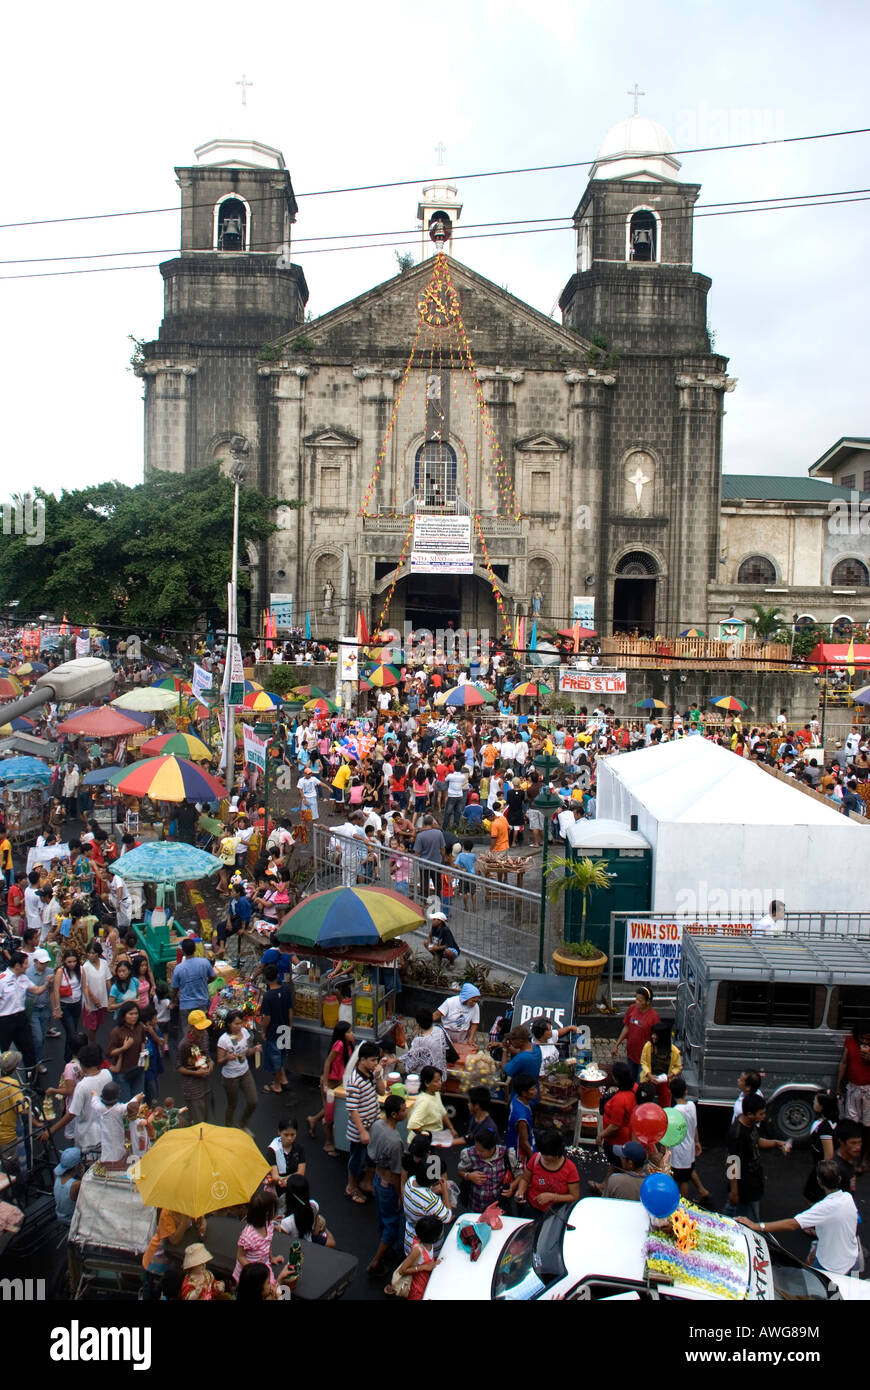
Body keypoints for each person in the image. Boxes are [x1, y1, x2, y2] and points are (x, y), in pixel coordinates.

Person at [738, 1159, 862, 1277]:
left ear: (819, 1181)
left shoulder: (823, 1208)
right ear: (839, 1179)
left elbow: (791, 1224)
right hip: (852, 1259)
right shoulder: (847, 1198)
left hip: (831, 1267)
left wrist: (756, 1226)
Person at [725, 1093, 790, 1221]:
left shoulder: (750, 1124)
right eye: (761, 1114)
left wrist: (776, 1143)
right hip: (745, 1185)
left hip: (754, 1181)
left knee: (739, 1213)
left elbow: (756, 1141)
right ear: (750, 1114)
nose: (764, 1117)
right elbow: (732, 1162)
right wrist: (734, 1191)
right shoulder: (737, 1134)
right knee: (748, 1219)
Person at [367, 1093, 407, 1277]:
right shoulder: (396, 1142)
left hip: (377, 1178)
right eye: (403, 1110)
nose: (405, 1112)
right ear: (394, 1114)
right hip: (388, 1184)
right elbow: (397, 1173)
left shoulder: (376, 1125)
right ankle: (376, 1259)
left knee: (382, 1218)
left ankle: (384, 1248)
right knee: (392, 1223)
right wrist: (400, 1195)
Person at [345, 1040, 385, 1204]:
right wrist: (362, 1131)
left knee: (372, 1158)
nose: (375, 1063)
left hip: (373, 1125)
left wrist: (379, 1076)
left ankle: (366, 1182)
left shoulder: (370, 1074)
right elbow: (352, 1109)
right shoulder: (355, 1081)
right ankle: (351, 1187)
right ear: (361, 1060)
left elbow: (381, 1092)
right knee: (357, 1159)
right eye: (372, 1060)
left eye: (376, 1060)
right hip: (360, 1129)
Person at [308, 1020, 354, 1156]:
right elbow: (328, 1062)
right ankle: (328, 1143)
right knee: (329, 1114)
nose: (352, 1034)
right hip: (331, 1082)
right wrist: (326, 1084)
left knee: (333, 1107)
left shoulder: (349, 1044)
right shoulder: (339, 1045)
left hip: (339, 1082)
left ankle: (313, 1119)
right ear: (342, 1034)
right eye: (349, 1032)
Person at [401, 1146, 453, 1256]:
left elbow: (422, 1196)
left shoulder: (410, 1181)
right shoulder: (431, 1201)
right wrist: (445, 1191)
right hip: (428, 1247)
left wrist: (432, 1190)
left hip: (411, 1238)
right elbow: (447, 1217)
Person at [0, 950, 49, 1067]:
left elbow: (36, 990)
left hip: (21, 1018)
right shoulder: (2, 979)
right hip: (5, 1021)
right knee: (3, 1052)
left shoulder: (23, 978)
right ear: (17, 965)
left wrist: (47, 984)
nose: (28, 966)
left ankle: (32, 1081)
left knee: (28, 1050)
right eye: (26, 963)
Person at [515, 1130, 580, 1215]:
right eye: (542, 1154)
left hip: (556, 1213)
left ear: (556, 1154)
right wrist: (521, 1190)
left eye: (547, 1157)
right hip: (533, 1209)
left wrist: (552, 1197)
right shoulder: (536, 1159)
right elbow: (525, 1179)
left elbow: (574, 1196)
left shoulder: (570, 1168)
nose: (543, 1157)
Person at [668, 1075, 710, 1202]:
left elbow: (670, 1135)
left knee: (679, 1180)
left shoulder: (674, 1112)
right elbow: (695, 1126)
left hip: (678, 1153)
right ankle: (697, 1194)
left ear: (671, 1093)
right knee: (686, 1177)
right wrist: (697, 1142)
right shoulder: (692, 1106)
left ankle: (680, 1204)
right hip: (689, 1148)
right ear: (685, 1091)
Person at [217, 1010, 261, 1131]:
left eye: (240, 1023)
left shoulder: (245, 1032)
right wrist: (227, 1058)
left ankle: (242, 1124)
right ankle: (229, 1128)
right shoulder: (223, 1040)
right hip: (231, 1077)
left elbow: (246, 1052)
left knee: (253, 1101)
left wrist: (255, 1049)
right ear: (229, 1024)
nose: (239, 1026)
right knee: (232, 1105)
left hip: (244, 1072)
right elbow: (219, 1061)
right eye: (236, 1024)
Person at [837, 1019, 870, 1170]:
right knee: (852, 1124)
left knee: (867, 1126)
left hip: (868, 1089)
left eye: (868, 1038)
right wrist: (838, 1085)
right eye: (862, 1038)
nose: (865, 1041)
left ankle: (864, 1159)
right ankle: (851, 1158)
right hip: (853, 1088)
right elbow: (844, 1062)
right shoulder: (850, 1042)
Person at [107, 1000, 156, 1102]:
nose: (134, 1016)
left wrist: (143, 1051)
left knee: (138, 1103)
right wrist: (123, 1048)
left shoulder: (140, 1028)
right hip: (123, 1073)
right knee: (126, 1105)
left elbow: (143, 1041)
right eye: (131, 1014)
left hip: (138, 1070)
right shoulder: (117, 1032)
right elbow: (109, 1053)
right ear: (124, 1015)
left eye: (136, 1014)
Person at [233, 1189, 283, 1287]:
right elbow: (240, 1256)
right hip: (250, 1273)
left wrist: (271, 1258)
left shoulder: (268, 1224)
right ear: (267, 1214)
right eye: (273, 1209)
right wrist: (253, 1270)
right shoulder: (248, 1236)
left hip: (263, 1265)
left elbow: (267, 1244)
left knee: (272, 1287)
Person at [458, 1131, 517, 1213]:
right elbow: (460, 1171)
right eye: (476, 1148)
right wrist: (469, 1176)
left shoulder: (506, 1154)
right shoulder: (469, 1154)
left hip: (499, 1207)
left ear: (492, 1148)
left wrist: (512, 1187)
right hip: (476, 1206)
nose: (477, 1153)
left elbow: (520, 1175)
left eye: (481, 1151)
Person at [388, 1213, 443, 1299]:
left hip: (424, 1280)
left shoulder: (427, 1241)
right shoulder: (418, 1250)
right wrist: (423, 1267)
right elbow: (402, 1270)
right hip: (417, 1287)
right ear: (434, 1238)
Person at [611, 985, 659, 1082]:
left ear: (648, 1002)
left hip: (644, 1059)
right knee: (630, 1080)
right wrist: (617, 1044)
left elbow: (656, 1039)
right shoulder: (632, 1009)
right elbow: (627, 1027)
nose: (637, 1002)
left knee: (639, 1083)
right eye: (636, 999)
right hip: (631, 1055)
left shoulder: (654, 1017)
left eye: (640, 1000)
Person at [259, 963, 294, 1095]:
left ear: (266, 978)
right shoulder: (285, 990)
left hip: (274, 1031)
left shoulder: (267, 996)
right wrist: (290, 1025)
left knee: (274, 1058)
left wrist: (263, 1030)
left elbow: (266, 1018)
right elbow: (290, 1010)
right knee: (282, 1054)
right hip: (285, 1028)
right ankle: (284, 1080)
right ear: (278, 975)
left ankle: (277, 1085)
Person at [175, 1010, 215, 1125]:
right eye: (199, 1029)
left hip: (205, 1083)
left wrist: (211, 1064)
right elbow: (178, 1067)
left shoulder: (205, 1035)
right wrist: (196, 1073)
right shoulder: (184, 1045)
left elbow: (207, 1055)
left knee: (206, 1119)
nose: (202, 1032)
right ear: (191, 1028)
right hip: (192, 1088)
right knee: (199, 1123)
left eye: (204, 1028)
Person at [407, 1065, 462, 1143]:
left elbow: (442, 1111)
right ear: (427, 1083)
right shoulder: (424, 1102)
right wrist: (426, 1136)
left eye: (440, 1080)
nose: (440, 1083)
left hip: (434, 1137)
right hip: (420, 1144)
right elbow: (413, 1124)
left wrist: (451, 1129)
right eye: (436, 1081)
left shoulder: (436, 1093)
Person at [170, 939, 215, 1034]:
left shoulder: (179, 968)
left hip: (186, 1005)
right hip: (202, 1002)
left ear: (183, 951)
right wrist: (205, 982)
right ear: (195, 949)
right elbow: (213, 977)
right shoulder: (205, 962)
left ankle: (191, 1048)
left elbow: (174, 988)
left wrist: (172, 1001)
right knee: (202, 1030)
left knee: (188, 1032)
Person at [279, 1172, 335, 1246]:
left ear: (289, 1196)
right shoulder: (314, 1205)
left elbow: (283, 1244)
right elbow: (315, 1232)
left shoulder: (286, 1223)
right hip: (309, 1244)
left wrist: (275, 1224)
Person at [598, 1062, 637, 1166]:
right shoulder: (635, 1088)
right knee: (615, 1166)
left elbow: (615, 1126)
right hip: (628, 1136)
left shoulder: (620, 1100)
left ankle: (614, 1182)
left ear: (616, 1079)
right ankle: (605, 1183)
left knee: (618, 1164)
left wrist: (601, 1135)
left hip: (617, 1141)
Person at [804, 1090, 839, 1202]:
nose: (813, 1102)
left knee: (811, 1199)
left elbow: (828, 1155)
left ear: (822, 1106)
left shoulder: (825, 1128)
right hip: (820, 1167)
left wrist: (823, 1176)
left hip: (822, 1169)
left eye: (816, 1101)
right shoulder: (829, 1122)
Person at [639, 1019, 682, 1108]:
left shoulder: (673, 1051)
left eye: (656, 1035)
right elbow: (643, 1062)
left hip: (664, 1081)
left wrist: (669, 1076)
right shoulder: (648, 1046)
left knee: (666, 1101)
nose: (653, 1036)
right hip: (649, 1079)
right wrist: (649, 1075)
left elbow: (678, 1067)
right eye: (653, 1034)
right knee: (644, 1101)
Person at [267, 1115, 307, 1208]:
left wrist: (286, 1179)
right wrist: (284, 1179)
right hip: (279, 1190)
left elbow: (301, 1173)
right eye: (286, 1135)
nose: (289, 1138)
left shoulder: (299, 1149)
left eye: (292, 1135)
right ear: (279, 1132)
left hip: (296, 1187)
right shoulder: (273, 1150)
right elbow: (275, 1176)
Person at [52, 947, 83, 1061]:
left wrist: (87, 1003)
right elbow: (56, 990)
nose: (72, 964)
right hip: (65, 1006)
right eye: (69, 962)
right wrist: (57, 1008)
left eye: (74, 961)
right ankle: (68, 1058)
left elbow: (83, 986)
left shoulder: (79, 970)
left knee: (73, 1032)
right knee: (71, 1033)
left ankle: (70, 1056)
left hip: (76, 1004)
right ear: (64, 961)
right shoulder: (60, 971)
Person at [400, 1008, 448, 1081]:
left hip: (427, 1079)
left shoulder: (419, 1041)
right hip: (442, 1076)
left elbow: (410, 1065)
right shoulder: (440, 1030)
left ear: (418, 1024)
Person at [26, 947, 55, 1065]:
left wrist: (54, 1008)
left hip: (45, 1008)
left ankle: (37, 1059)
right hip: (33, 1009)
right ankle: (36, 1061)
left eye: (46, 963)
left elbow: (52, 991)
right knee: (37, 1037)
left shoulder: (50, 972)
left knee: (42, 1037)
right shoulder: (27, 974)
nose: (44, 965)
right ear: (35, 961)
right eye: (42, 963)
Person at [506, 1076, 537, 1165]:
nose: (536, 1091)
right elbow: (524, 1143)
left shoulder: (516, 1098)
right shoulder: (521, 1118)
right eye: (532, 1089)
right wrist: (533, 1161)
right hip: (519, 1151)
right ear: (524, 1093)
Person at [53, 1146, 83, 1227]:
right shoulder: (76, 1184)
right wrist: (82, 1174)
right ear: (77, 1166)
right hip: (72, 1220)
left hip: (59, 1216)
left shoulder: (56, 1175)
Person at [831, 1119, 863, 1194]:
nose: (858, 1147)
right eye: (853, 1143)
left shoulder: (851, 1158)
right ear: (841, 1142)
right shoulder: (835, 1169)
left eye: (860, 1142)